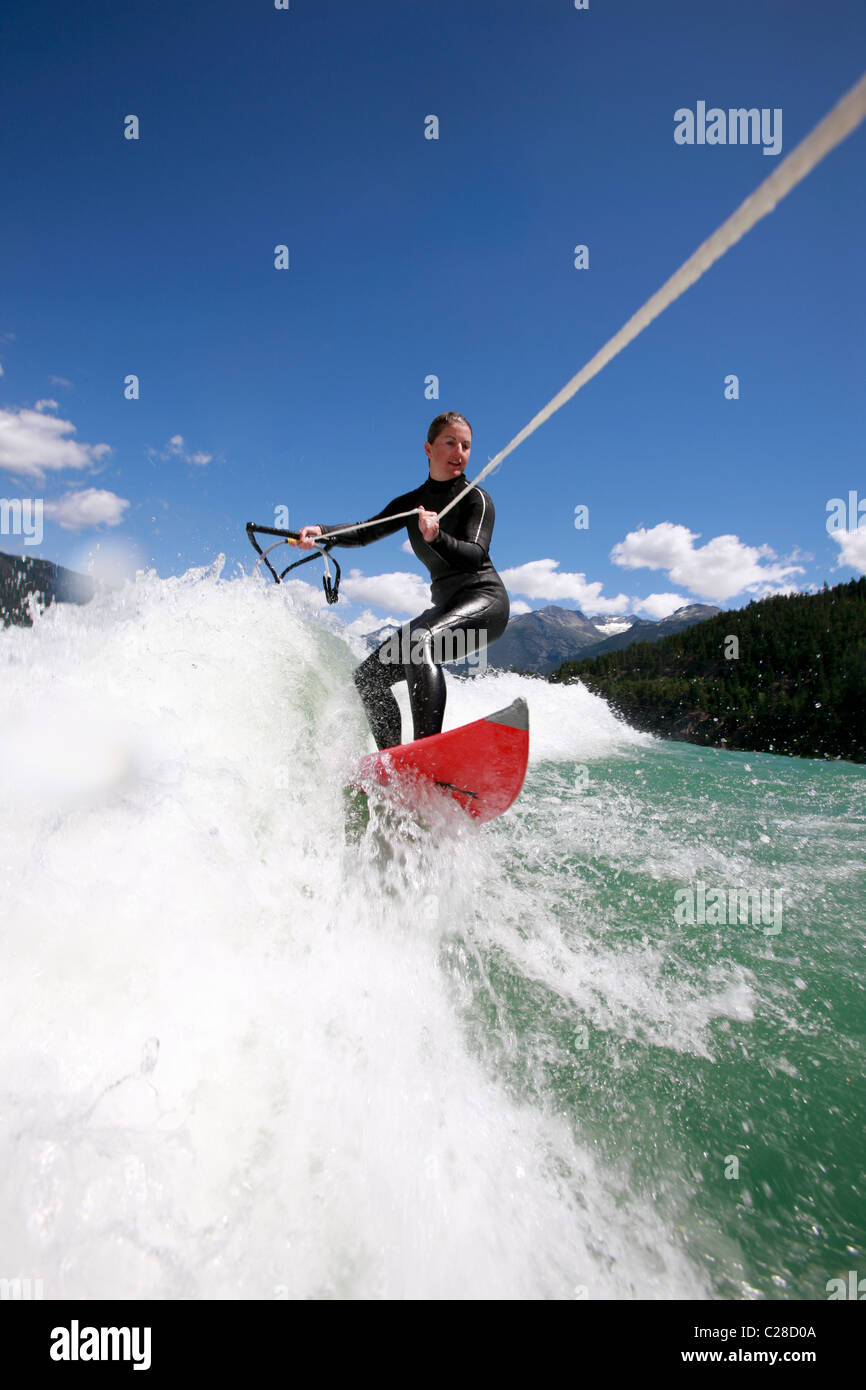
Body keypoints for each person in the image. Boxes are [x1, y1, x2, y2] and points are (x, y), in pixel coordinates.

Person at [298, 412, 509, 750]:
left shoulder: (476, 499)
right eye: (450, 442)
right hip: (447, 607)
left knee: (419, 643)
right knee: (368, 678)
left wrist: (437, 538)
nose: (460, 452)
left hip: (485, 605)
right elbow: (367, 531)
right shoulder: (413, 504)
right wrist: (323, 532)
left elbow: (474, 555)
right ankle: (394, 762)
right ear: (428, 448)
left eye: (466, 446)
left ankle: (426, 752)